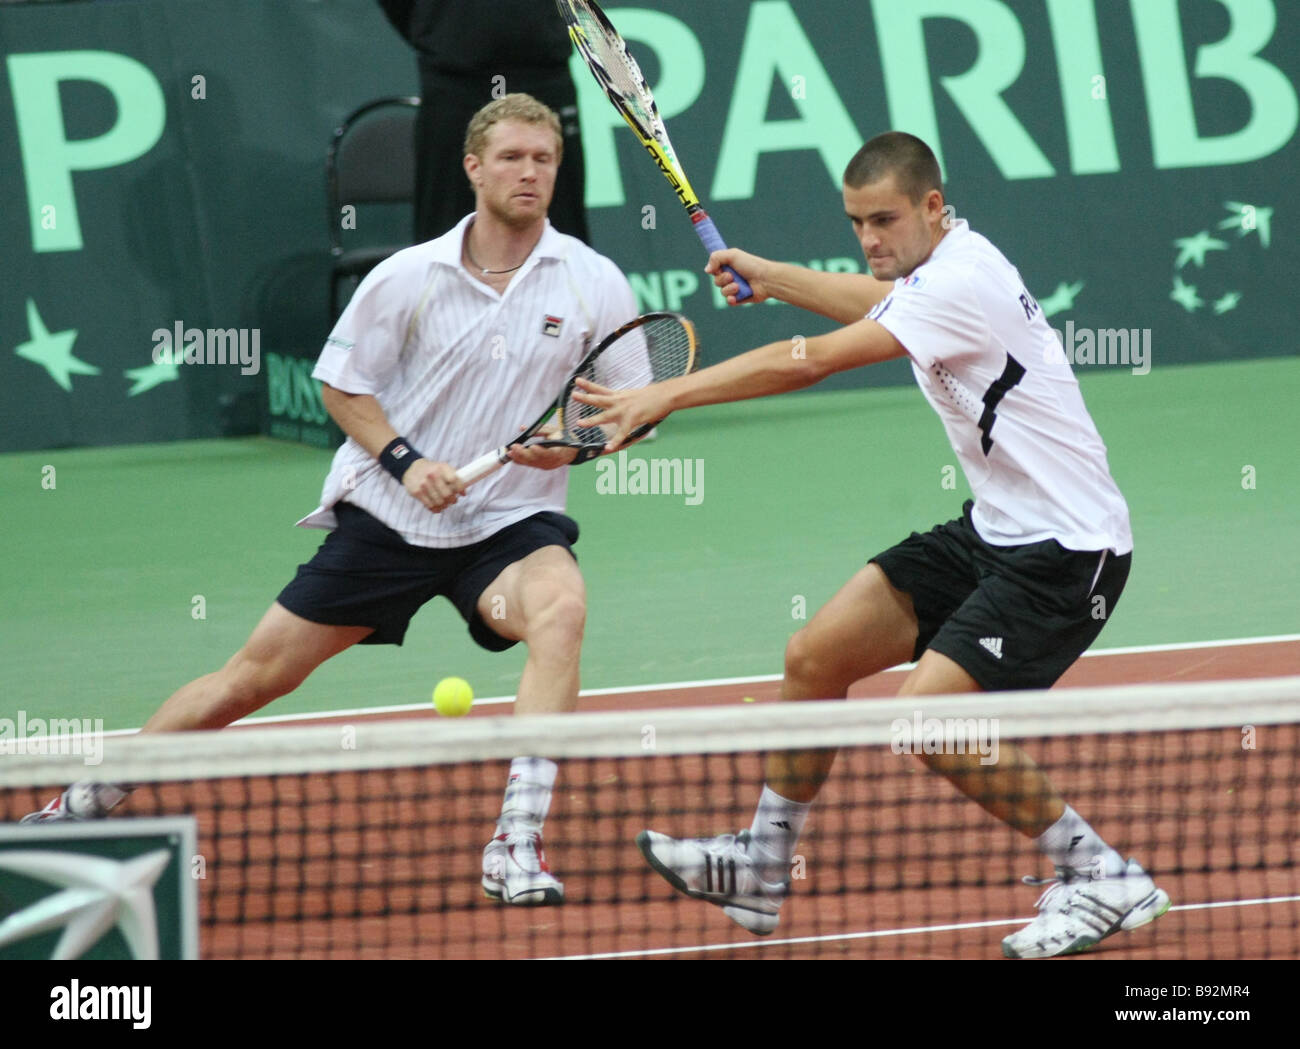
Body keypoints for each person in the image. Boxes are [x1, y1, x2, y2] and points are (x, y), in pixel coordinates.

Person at [23, 94, 637, 908]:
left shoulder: (594, 282)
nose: (530, 173)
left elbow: (629, 411)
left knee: (560, 609)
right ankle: (76, 806)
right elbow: (341, 386)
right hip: (390, 517)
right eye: (513, 157)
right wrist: (410, 462)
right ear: (473, 167)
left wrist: (571, 445)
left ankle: (515, 843)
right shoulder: (406, 276)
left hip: (508, 522)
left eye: (544, 159)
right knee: (248, 680)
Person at [574, 132, 1169, 958]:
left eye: (884, 218)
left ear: (933, 205)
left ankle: (1100, 874)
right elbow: (873, 300)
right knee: (815, 654)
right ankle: (761, 866)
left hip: (1068, 551)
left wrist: (666, 393)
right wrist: (773, 275)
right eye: (856, 221)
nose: (870, 238)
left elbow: (810, 360)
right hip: (992, 527)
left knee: (927, 721)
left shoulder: (962, 280)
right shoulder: (940, 267)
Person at [377, 0, 590, 244]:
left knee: (563, 230)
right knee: (443, 233)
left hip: (543, 69)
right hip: (452, 76)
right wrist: (437, 27)